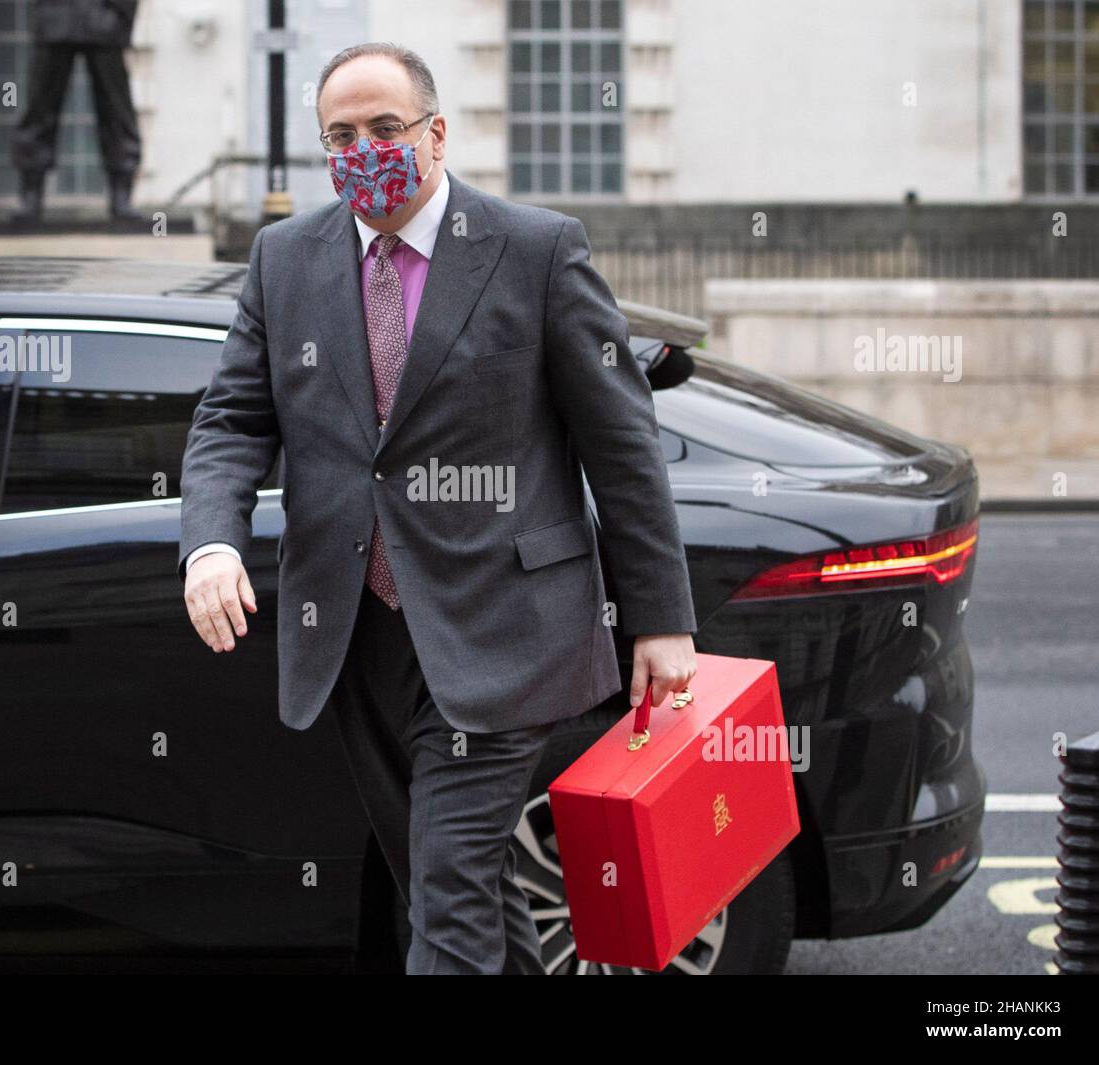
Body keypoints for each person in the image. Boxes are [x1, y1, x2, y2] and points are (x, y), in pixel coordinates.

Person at [179, 43, 698, 975]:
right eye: (341, 134)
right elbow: (232, 420)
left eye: (386, 128)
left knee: (450, 891)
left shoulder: (535, 249)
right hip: (353, 630)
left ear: (437, 131)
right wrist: (212, 542)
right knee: (452, 879)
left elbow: (622, 447)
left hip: (505, 627)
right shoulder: (285, 258)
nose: (364, 149)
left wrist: (659, 619)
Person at [10, 0, 142, 222]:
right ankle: (31, 192)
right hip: (55, 16)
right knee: (39, 107)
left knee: (116, 109)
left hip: (105, 16)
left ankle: (121, 193)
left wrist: (123, 12)